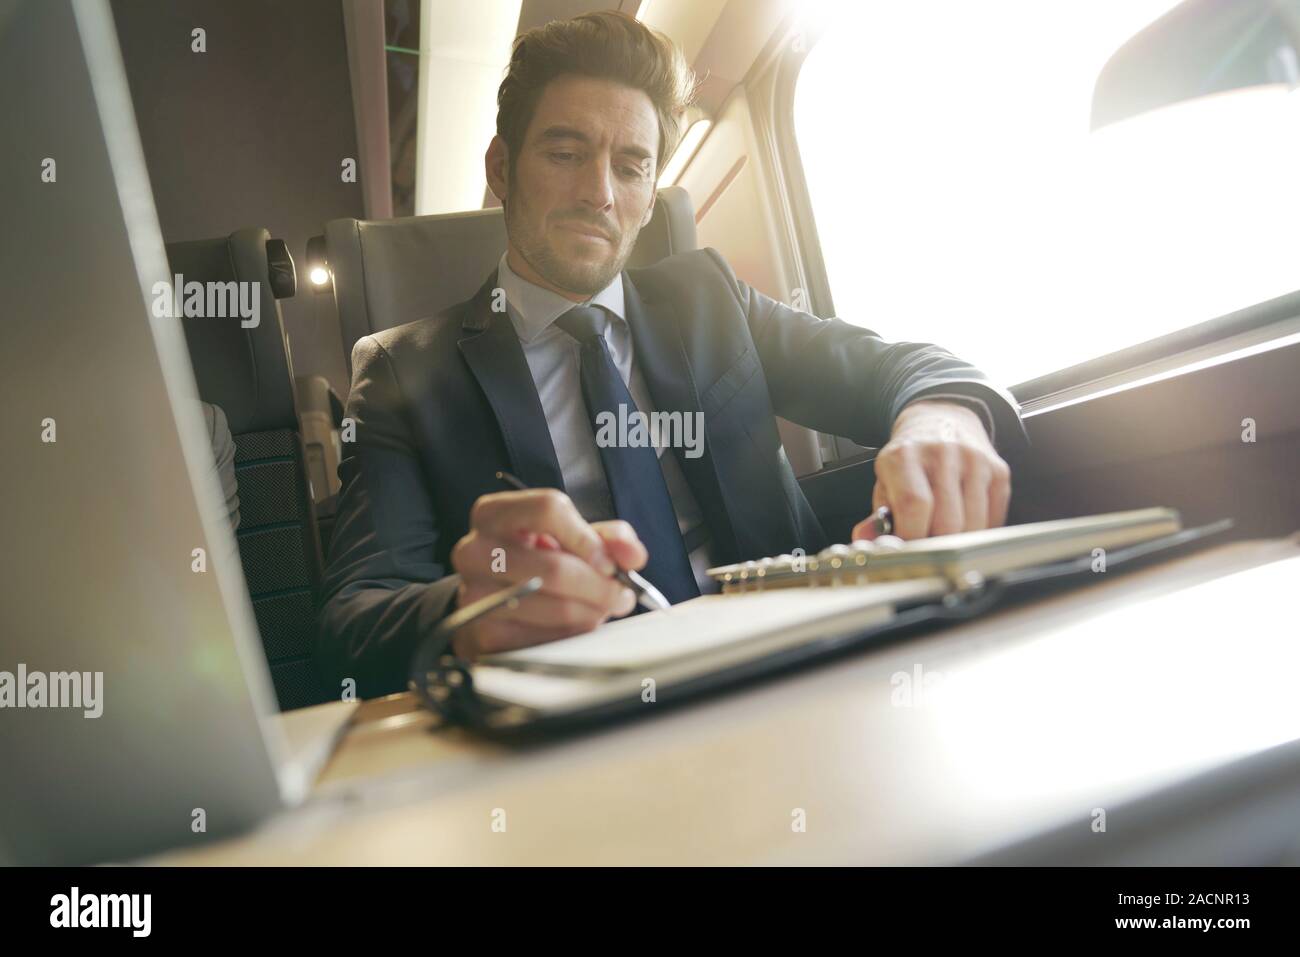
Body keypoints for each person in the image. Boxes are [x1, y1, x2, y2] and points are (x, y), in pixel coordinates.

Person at [317, 11, 1028, 697]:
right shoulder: (405, 370)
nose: (599, 193)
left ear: (650, 192)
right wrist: (471, 611)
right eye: (565, 154)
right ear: (502, 167)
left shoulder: (710, 299)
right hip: (587, 714)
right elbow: (355, 619)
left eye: (631, 167)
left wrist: (941, 420)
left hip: (798, 667)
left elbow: (899, 370)